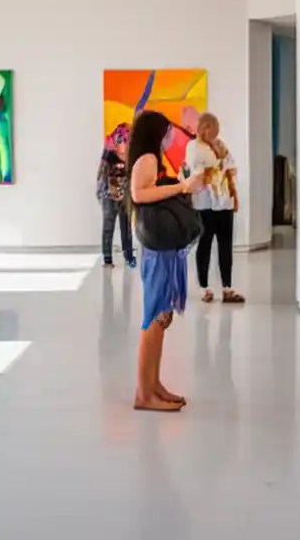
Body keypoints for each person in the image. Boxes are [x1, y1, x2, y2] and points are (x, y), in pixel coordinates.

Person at [129, 110, 203, 412]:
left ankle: (153, 385)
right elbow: (139, 194)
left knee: (160, 318)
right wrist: (181, 187)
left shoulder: (150, 158)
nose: (171, 137)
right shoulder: (147, 159)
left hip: (159, 247)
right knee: (154, 319)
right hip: (158, 250)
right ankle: (145, 394)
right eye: (167, 131)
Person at [186, 112, 244, 303]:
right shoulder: (194, 147)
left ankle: (227, 287)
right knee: (204, 244)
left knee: (225, 245)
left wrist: (223, 155)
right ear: (205, 128)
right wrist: (218, 165)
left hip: (224, 203)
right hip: (204, 205)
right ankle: (204, 287)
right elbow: (198, 170)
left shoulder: (220, 145)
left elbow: (232, 168)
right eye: (213, 129)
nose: (216, 134)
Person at [97, 123, 135, 269]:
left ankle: (129, 255)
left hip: (125, 196)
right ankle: (107, 259)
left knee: (126, 227)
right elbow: (101, 174)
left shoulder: (131, 156)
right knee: (108, 226)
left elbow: (133, 175)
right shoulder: (109, 155)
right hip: (109, 196)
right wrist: (101, 193)